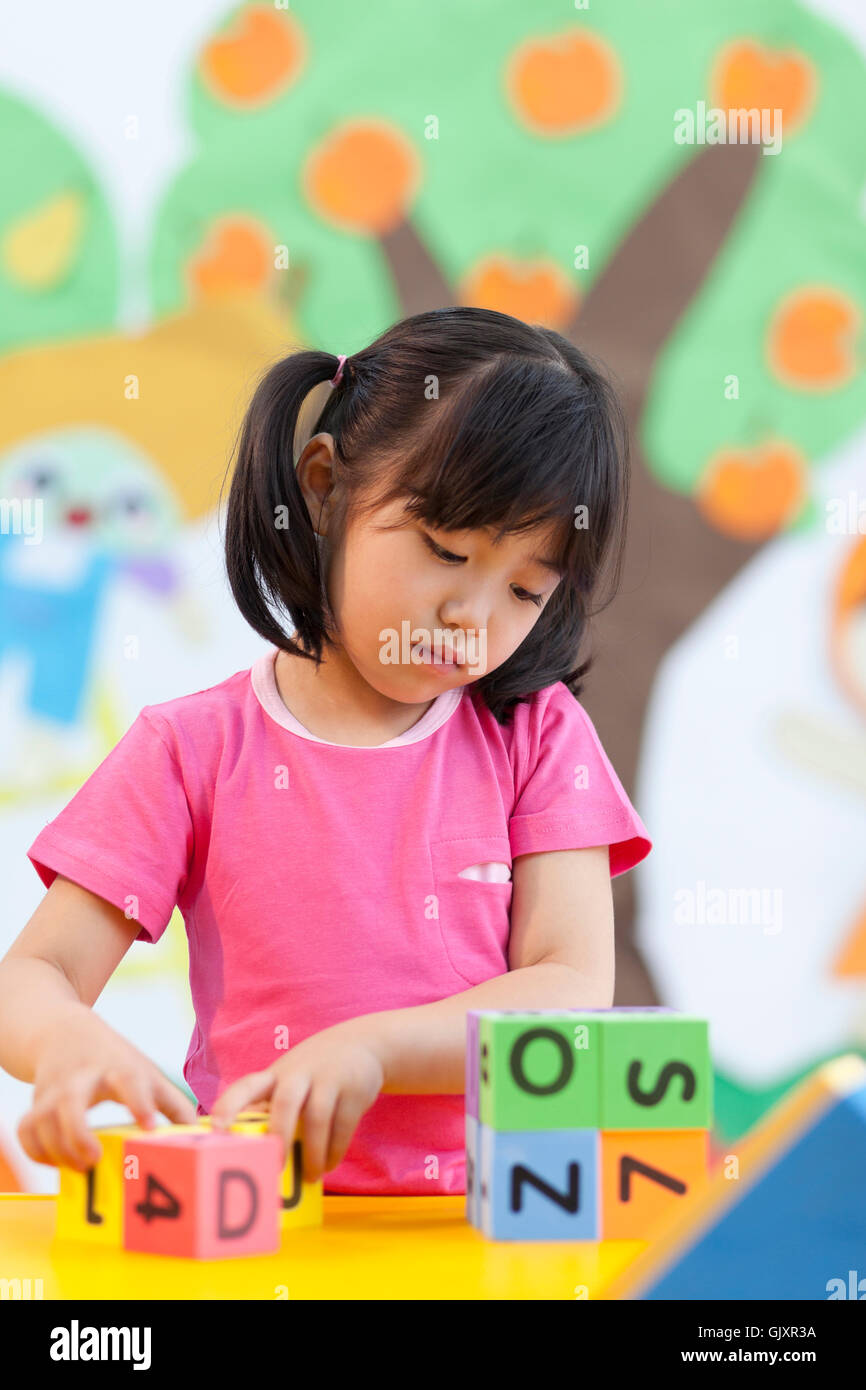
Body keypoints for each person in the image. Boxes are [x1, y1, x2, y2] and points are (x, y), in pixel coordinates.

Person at [0, 305, 651, 1195]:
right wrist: (69, 1042)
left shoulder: (533, 736)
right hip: (268, 1222)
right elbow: (33, 976)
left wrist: (377, 1049)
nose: (471, 618)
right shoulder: (190, 749)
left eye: (526, 590)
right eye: (445, 549)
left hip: (488, 1226)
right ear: (322, 486)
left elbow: (570, 984)